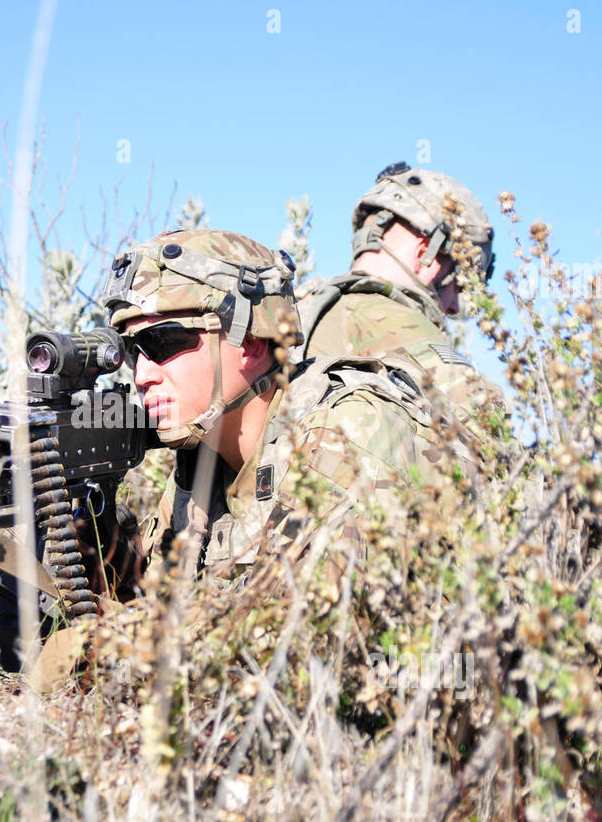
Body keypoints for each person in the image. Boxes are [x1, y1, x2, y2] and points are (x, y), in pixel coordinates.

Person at [35, 228, 473, 687]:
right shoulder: (203, 457)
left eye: (163, 345)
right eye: (131, 352)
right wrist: (88, 534)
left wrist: (89, 651)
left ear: (252, 345)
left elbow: (287, 649)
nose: (143, 374)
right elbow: (160, 600)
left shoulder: (345, 430)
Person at [297, 162, 506, 446]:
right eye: (462, 284)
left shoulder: (299, 309)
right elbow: (496, 449)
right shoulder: (396, 325)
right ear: (427, 256)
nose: (455, 307)